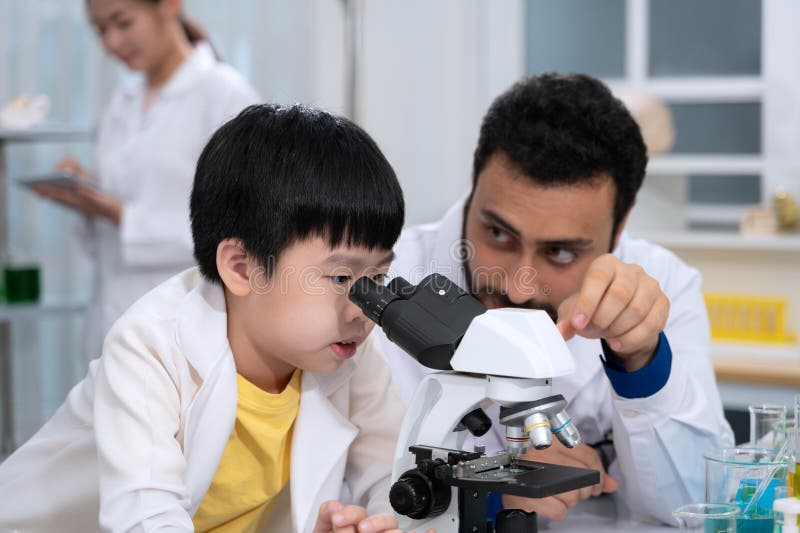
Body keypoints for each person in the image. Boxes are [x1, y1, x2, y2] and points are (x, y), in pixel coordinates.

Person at [0, 104, 408, 533]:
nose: (363, 307)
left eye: (377, 276)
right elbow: (147, 523)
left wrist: (378, 524)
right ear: (241, 267)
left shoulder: (350, 351)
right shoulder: (149, 348)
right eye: (342, 276)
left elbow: (393, 478)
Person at [380, 73, 734, 525]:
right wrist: (485, 498)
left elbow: (698, 506)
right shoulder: (388, 279)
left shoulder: (665, 285)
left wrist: (641, 363)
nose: (518, 287)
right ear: (474, 184)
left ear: (619, 227)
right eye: (498, 233)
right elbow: (343, 496)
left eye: (561, 252)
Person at [34, 0, 260, 358]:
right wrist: (87, 197)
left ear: (169, 6)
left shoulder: (224, 95)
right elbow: (108, 236)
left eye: (122, 23)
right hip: (111, 323)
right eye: (100, 30)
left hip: (181, 330)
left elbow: (240, 233)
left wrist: (121, 215)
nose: (110, 42)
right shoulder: (121, 102)